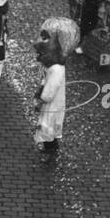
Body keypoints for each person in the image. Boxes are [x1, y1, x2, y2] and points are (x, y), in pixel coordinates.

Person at [34, 17, 79, 155]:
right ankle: (51, 148)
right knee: (49, 128)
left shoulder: (57, 69)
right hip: (52, 104)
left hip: (52, 105)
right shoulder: (54, 64)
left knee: (48, 128)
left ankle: (50, 151)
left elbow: (49, 91)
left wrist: (41, 99)